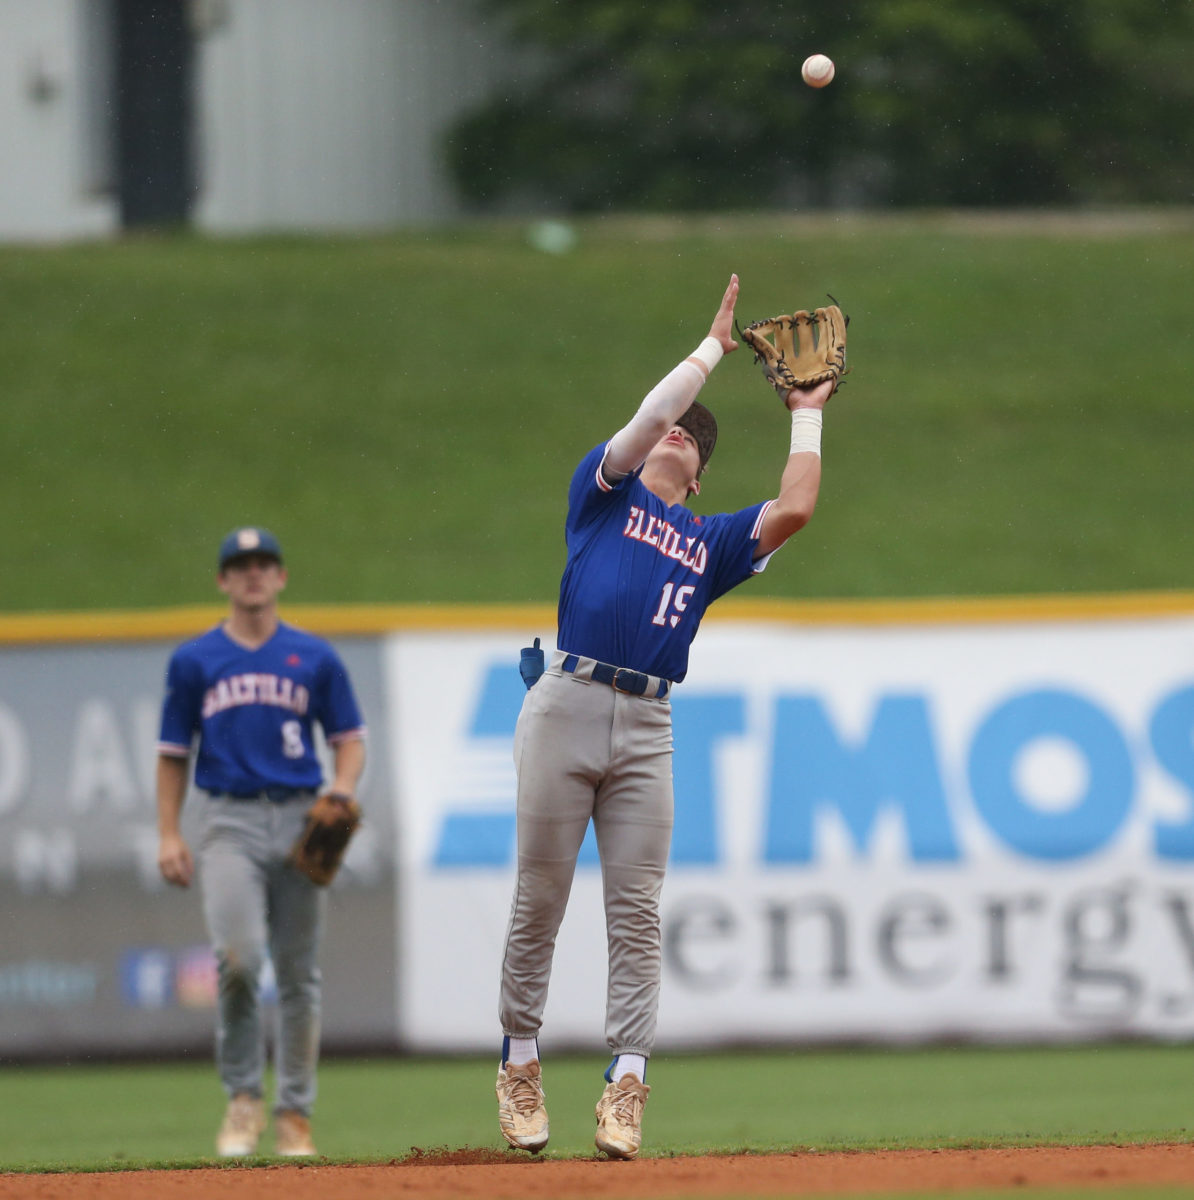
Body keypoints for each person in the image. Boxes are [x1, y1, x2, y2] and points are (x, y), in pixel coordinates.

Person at [495, 274, 838, 1160]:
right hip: (567, 699)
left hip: (649, 724)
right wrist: (713, 351)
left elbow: (796, 507)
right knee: (542, 895)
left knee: (638, 909)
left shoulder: (710, 542)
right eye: (672, 426)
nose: (676, 433)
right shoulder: (602, 495)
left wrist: (807, 409)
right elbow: (651, 414)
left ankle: (626, 1083)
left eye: (693, 436)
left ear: (700, 470)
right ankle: (521, 1057)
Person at [156, 526, 366, 1158]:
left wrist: (344, 788)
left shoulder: (315, 657)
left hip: (302, 815)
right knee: (240, 960)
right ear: (223, 580)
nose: (252, 574)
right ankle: (244, 1099)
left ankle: (294, 1114)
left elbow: (348, 738)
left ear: (280, 577)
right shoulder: (195, 662)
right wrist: (169, 831)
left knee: (300, 975)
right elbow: (172, 755)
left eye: (263, 564)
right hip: (228, 821)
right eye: (240, 565)